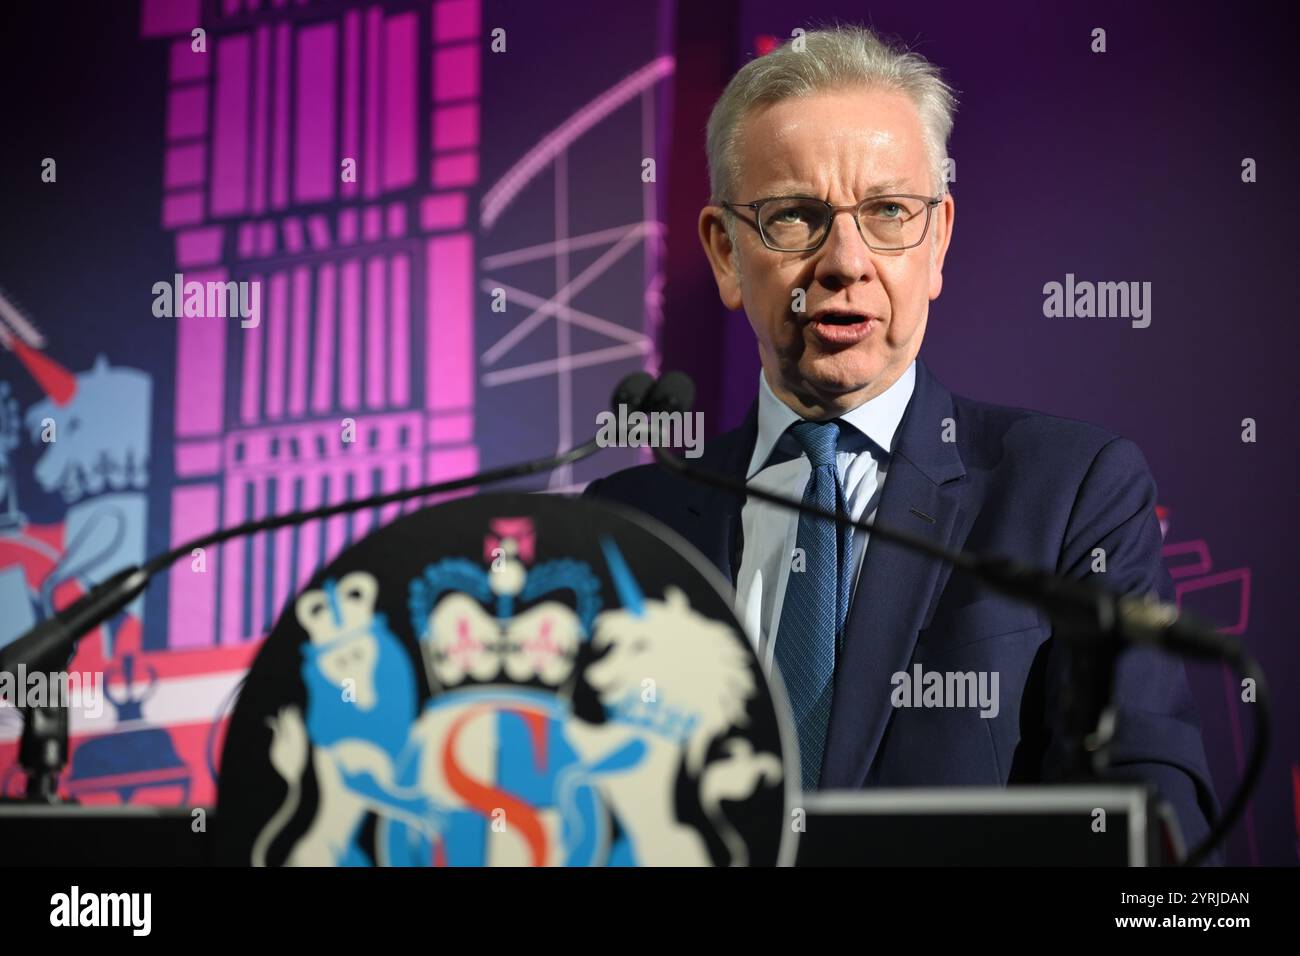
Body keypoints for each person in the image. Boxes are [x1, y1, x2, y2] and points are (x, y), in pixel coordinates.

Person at [584, 25, 1219, 859]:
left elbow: (1149, 811)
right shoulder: (627, 531)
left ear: (938, 241)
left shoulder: (1070, 493)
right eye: (795, 218)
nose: (846, 261)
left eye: (887, 212)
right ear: (726, 253)